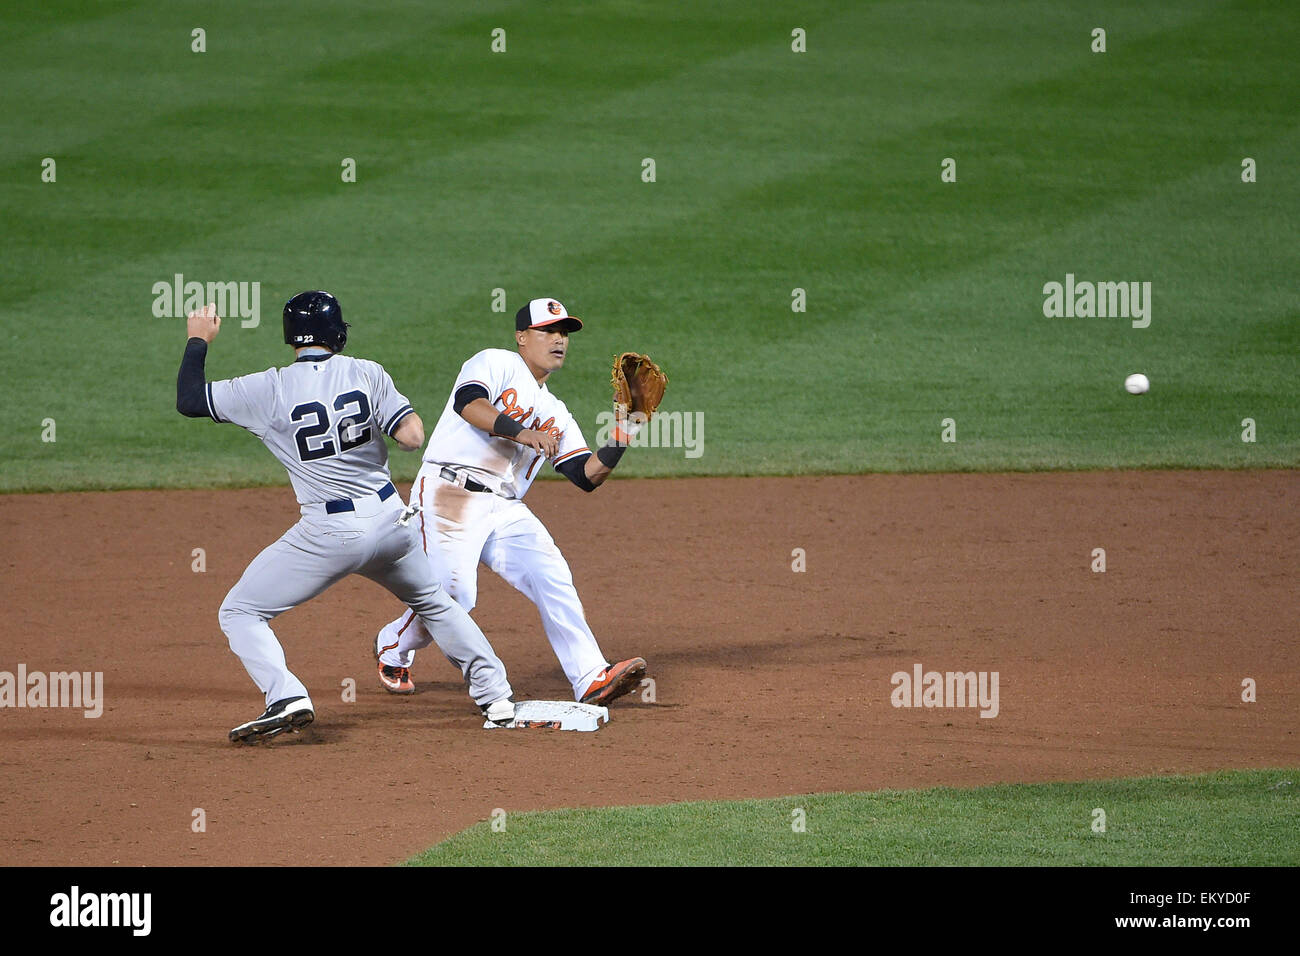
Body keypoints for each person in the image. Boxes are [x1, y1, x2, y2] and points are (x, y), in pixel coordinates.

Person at [176, 292, 516, 742]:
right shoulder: (366, 372)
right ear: (337, 333)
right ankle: (497, 697)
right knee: (433, 601)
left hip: (331, 533)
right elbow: (412, 437)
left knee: (240, 611)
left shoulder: (267, 388)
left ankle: (286, 696)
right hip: (392, 522)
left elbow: (189, 399)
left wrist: (199, 339)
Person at [374, 297, 647, 706]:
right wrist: (521, 432)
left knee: (552, 576)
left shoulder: (557, 411)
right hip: (450, 492)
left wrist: (628, 427)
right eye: (547, 331)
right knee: (455, 597)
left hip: (504, 507)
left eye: (564, 333)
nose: (559, 340)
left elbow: (587, 475)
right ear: (521, 337)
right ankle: (394, 645)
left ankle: (590, 677)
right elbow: (468, 403)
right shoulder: (496, 362)